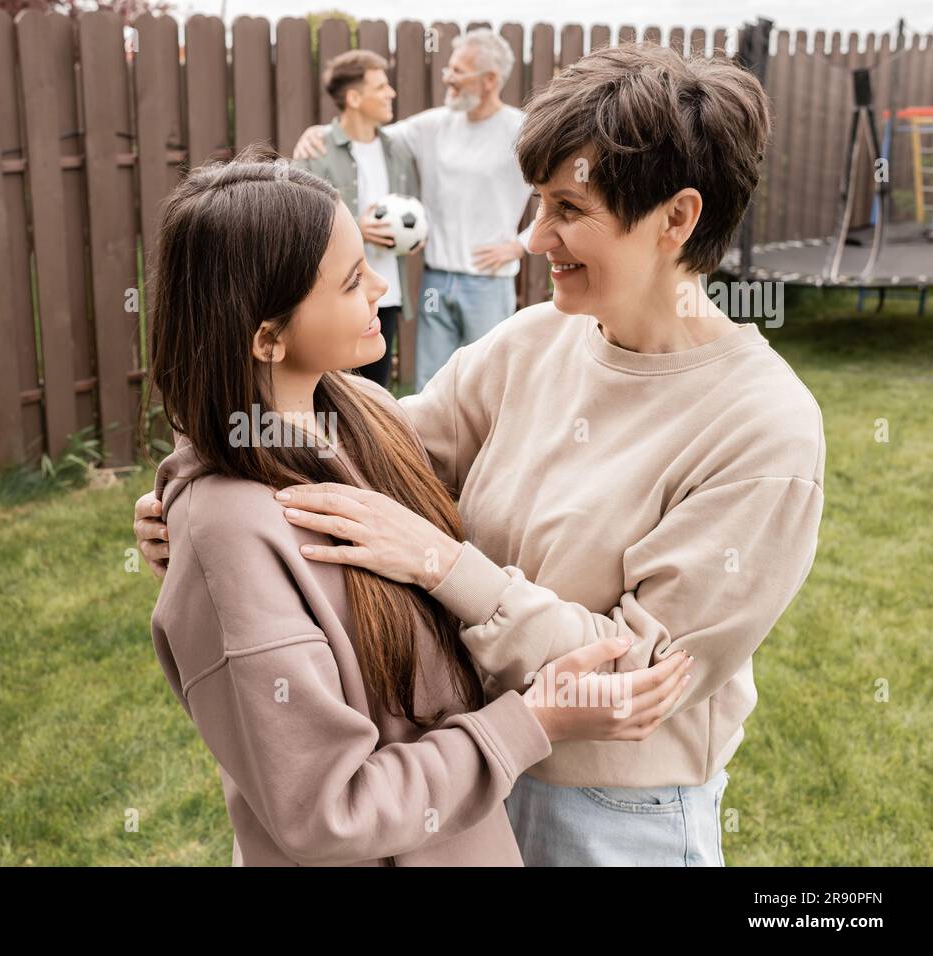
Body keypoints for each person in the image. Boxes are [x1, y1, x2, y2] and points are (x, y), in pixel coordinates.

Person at [135, 44, 825, 866]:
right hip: (462, 778)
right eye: (535, 205)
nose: (535, 238)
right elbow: (366, 443)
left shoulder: (763, 428)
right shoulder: (534, 342)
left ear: (677, 218)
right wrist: (200, 478)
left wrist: (442, 563)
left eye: (568, 209)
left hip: (608, 811)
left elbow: (629, 674)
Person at [144, 144, 691, 867]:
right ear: (268, 338)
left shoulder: (360, 410)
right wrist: (530, 722)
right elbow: (327, 812)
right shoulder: (232, 535)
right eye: (349, 280)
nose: (381, 283)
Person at [293, 28, 533, 391]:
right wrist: (317, 132)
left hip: (488, 283)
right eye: (447, 69)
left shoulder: (522, 130)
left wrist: (522, 244)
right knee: (431, 384)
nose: (447, 78)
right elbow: (363, 134)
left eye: (457, 72)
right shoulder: (434, 125)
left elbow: (564, 194)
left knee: (490, 384)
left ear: (490, 80)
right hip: (436, 280)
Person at [292, 49, 421, 388]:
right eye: (381, 86)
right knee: (333, 392)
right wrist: (354, 231)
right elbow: (297, 224)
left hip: (384, 295)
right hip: (337, 296)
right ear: (353, 97)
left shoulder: (397, 149)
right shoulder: (316, 149)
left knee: (375, 393)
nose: (391, 93)